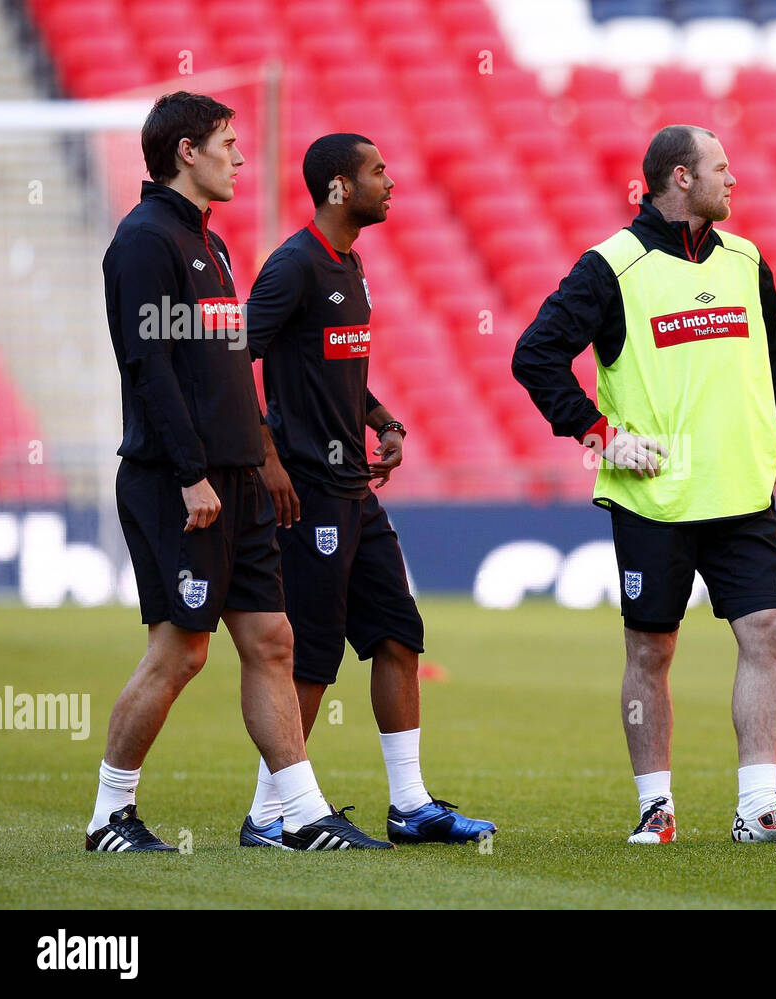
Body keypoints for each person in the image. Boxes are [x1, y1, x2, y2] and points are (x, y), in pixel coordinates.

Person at [513, 124, 776, 845]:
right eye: (722, 168)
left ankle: (759, 806)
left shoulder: (748, 259)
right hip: (655, 497)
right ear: (681, 178)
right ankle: (655, 805)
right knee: (651, 651)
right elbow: (534, 355)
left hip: (741, 490)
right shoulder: (612, 266)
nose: (735, 180)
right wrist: (600, 436)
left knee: (770, 628)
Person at [96, 93, 389, 852]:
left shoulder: (212, 244)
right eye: (227, 143)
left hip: (238, 479)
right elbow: (147, 364)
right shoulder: (144, 241)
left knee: (272, 639)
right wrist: (193, 472)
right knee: (181, 650)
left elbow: (223, 365)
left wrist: (253, 457)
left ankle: (297, 814)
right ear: (186, 151)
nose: (239, 155)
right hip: (178, 481)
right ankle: (109, 814)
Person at [241, 133, 496, 847]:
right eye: (377, 171)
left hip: (354, 486)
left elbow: (336, 369)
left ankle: (410, 805)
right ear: (337, 189)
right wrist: (266, 454)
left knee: (398, 634)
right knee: (313, 655)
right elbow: (236, 360)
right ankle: (271, 814)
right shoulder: (292, 266)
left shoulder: (350, 264)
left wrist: (380, 417)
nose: (391, 181)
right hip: (308, 492)